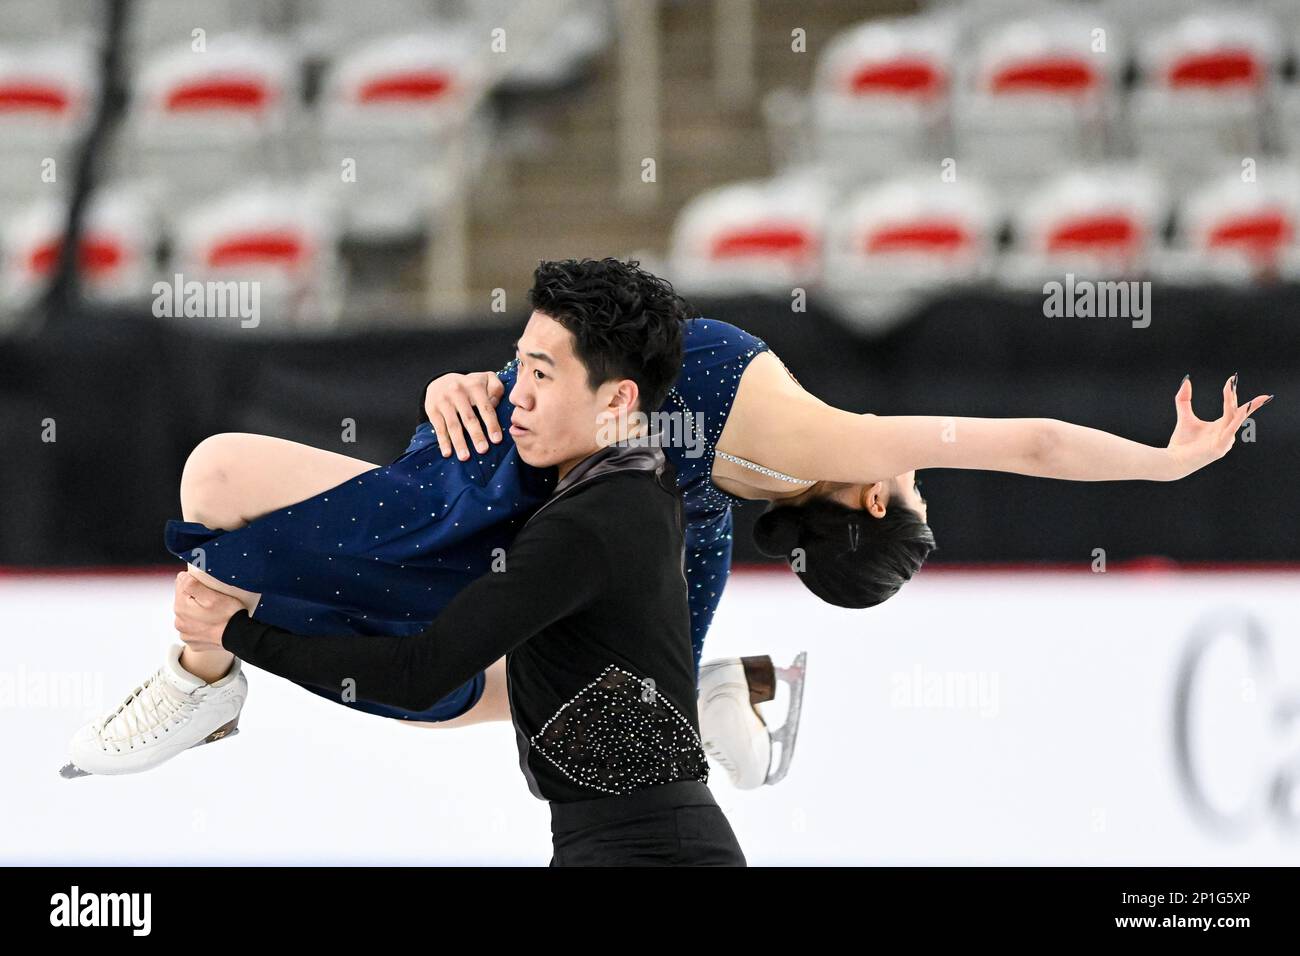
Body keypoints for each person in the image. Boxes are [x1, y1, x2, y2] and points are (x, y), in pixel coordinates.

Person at [65, 256, 1272, 786]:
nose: (914, 470)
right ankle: (214, 664)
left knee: (223, 483)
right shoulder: (714, 506)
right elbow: (552, 377)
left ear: (867, 499)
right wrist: (463, 391)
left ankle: (210, 666)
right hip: (513, 481)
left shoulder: (826, 444)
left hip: (535, 501)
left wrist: (1168, 467)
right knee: (521, 692)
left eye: (911, 487)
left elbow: (1030, 443)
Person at [171, 301, 747, 866]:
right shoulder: (637, 487)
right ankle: (723, 687)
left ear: (618, 398)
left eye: (541, 373)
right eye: (517, 367)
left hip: (652, 850)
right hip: (617, 842)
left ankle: (722, 687)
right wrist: (451, 394)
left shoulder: (590, 525)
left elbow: (419, 675)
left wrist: (238, 635)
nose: (515, 392)